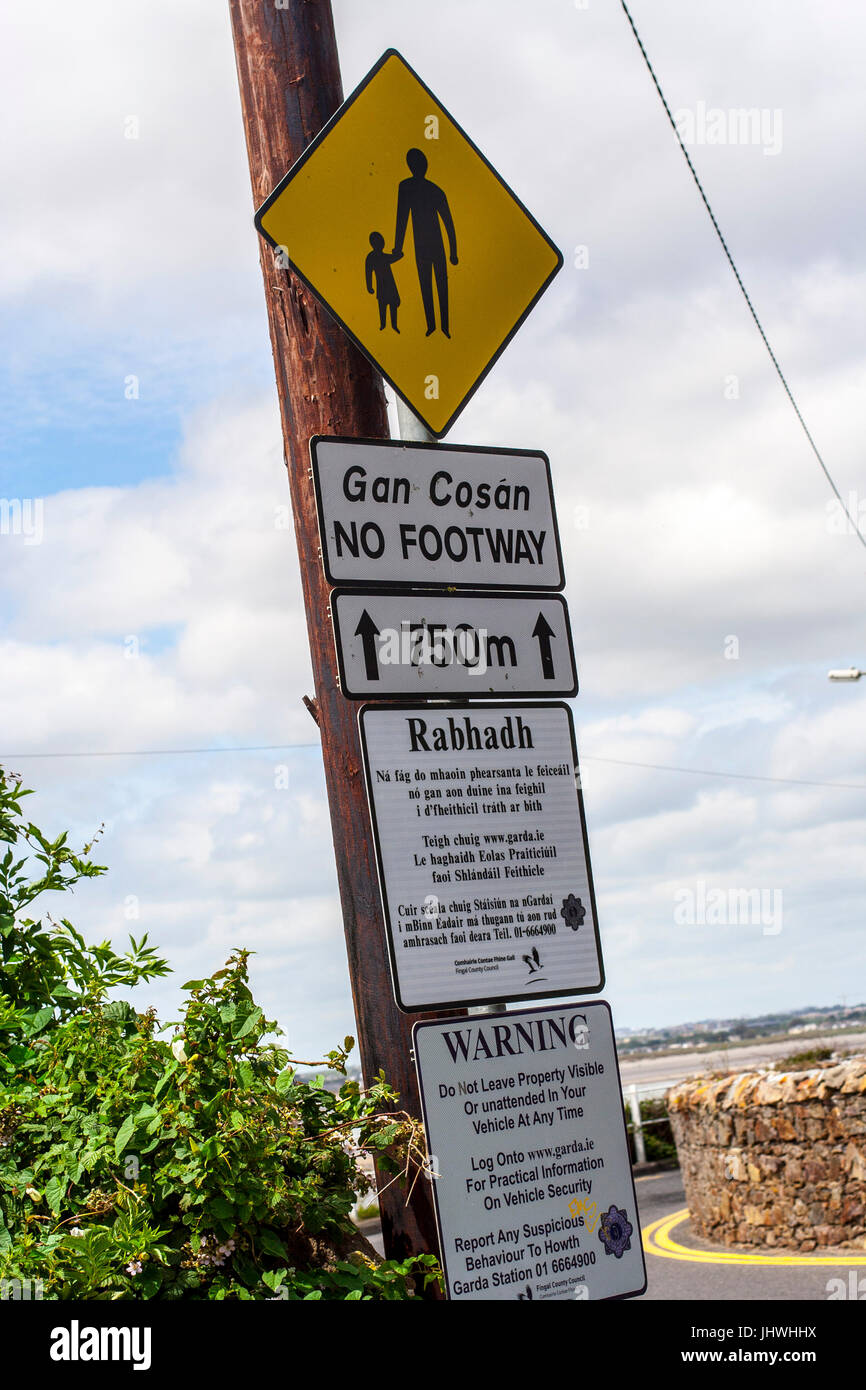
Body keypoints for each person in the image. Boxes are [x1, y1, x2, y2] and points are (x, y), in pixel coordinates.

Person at [392, 148, 458, 337]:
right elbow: (401, 219)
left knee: (441, 284)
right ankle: (431, 326)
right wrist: (398, 247)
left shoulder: (435, 190)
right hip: (420, 246)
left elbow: (448, 223)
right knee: (426, 286)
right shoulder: (405, 188)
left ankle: (444, 326)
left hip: (437, 246)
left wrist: (453, 251)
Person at [365, 232, 401, 332]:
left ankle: (394, 325)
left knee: (393, 305)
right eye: (379, 242)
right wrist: (369, 287)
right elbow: (368, 273)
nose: (381, 244)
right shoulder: (371, 257)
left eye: (382, 242)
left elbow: (393, 258)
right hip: (381, 285)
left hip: (390, 284)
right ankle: (383, 325)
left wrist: (399, 254)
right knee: (382, 305)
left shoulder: (383, 255)